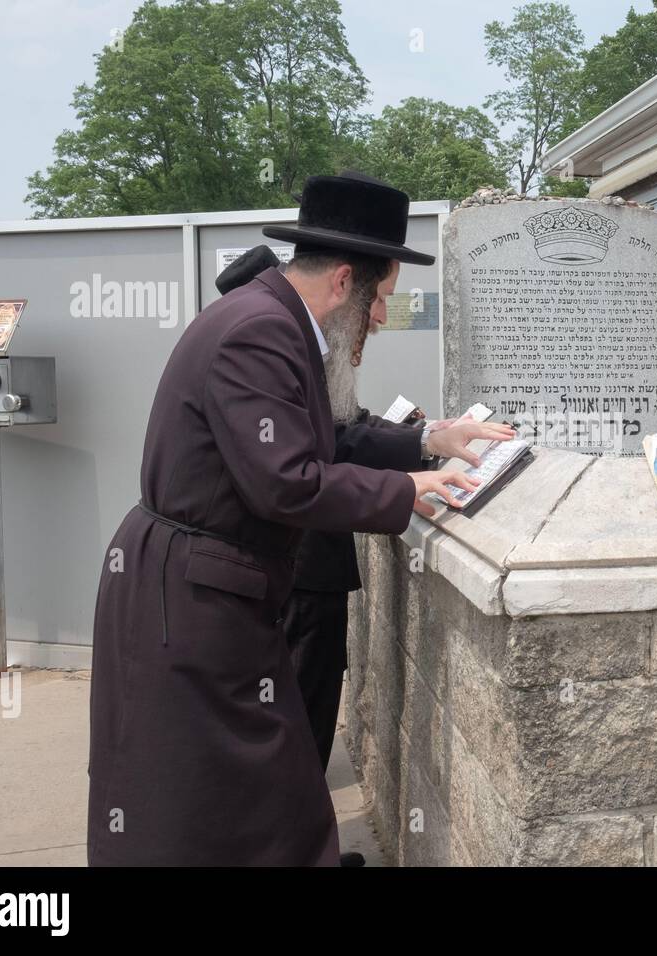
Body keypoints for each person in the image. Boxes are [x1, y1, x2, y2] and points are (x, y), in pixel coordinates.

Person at [88, 170, 497, 866]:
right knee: (213, 788)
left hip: (205, 588)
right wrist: (410, 495)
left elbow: (324, 434)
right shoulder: (260, 332)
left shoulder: (277, 319)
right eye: (380, 299)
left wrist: (430, 440)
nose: (379, 319)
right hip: (189, 599)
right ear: (344, 282)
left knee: (252, 787)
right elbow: (284, 482)